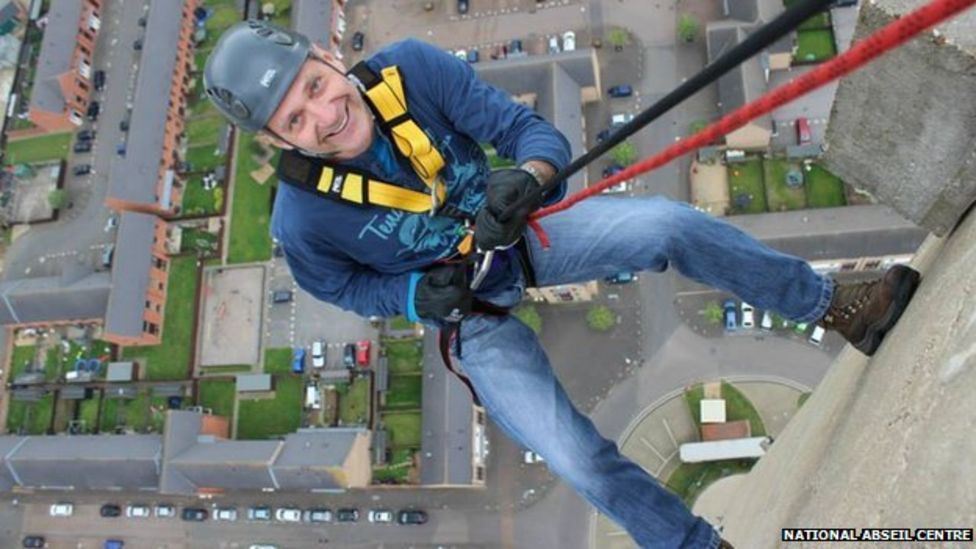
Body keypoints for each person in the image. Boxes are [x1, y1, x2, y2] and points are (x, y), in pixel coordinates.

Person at [204, 21, 919, 549]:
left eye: (316, 87)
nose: (325, 115)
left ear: (329, 58)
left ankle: (839, 309)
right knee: (577, 455)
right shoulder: (301, 222)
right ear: (280, 140)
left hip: (517, 228)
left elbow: (527, 132)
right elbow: (350, 290)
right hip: (469, 308)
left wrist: (530, 178)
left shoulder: (412, 72)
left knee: (669, 224)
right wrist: (419, 299)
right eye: (296, 118)